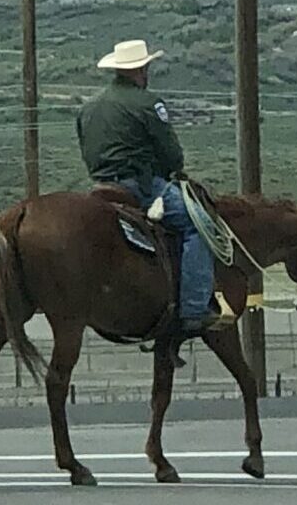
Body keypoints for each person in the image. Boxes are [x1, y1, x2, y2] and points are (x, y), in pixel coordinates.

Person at [76, 38, 227, 334]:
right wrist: (170, 171)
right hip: (141, 187)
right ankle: (194, 309)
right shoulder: (149, 104)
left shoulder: (88, 108)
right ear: (141, 69)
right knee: (199, 225)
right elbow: (172, 156)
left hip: (99, 186)